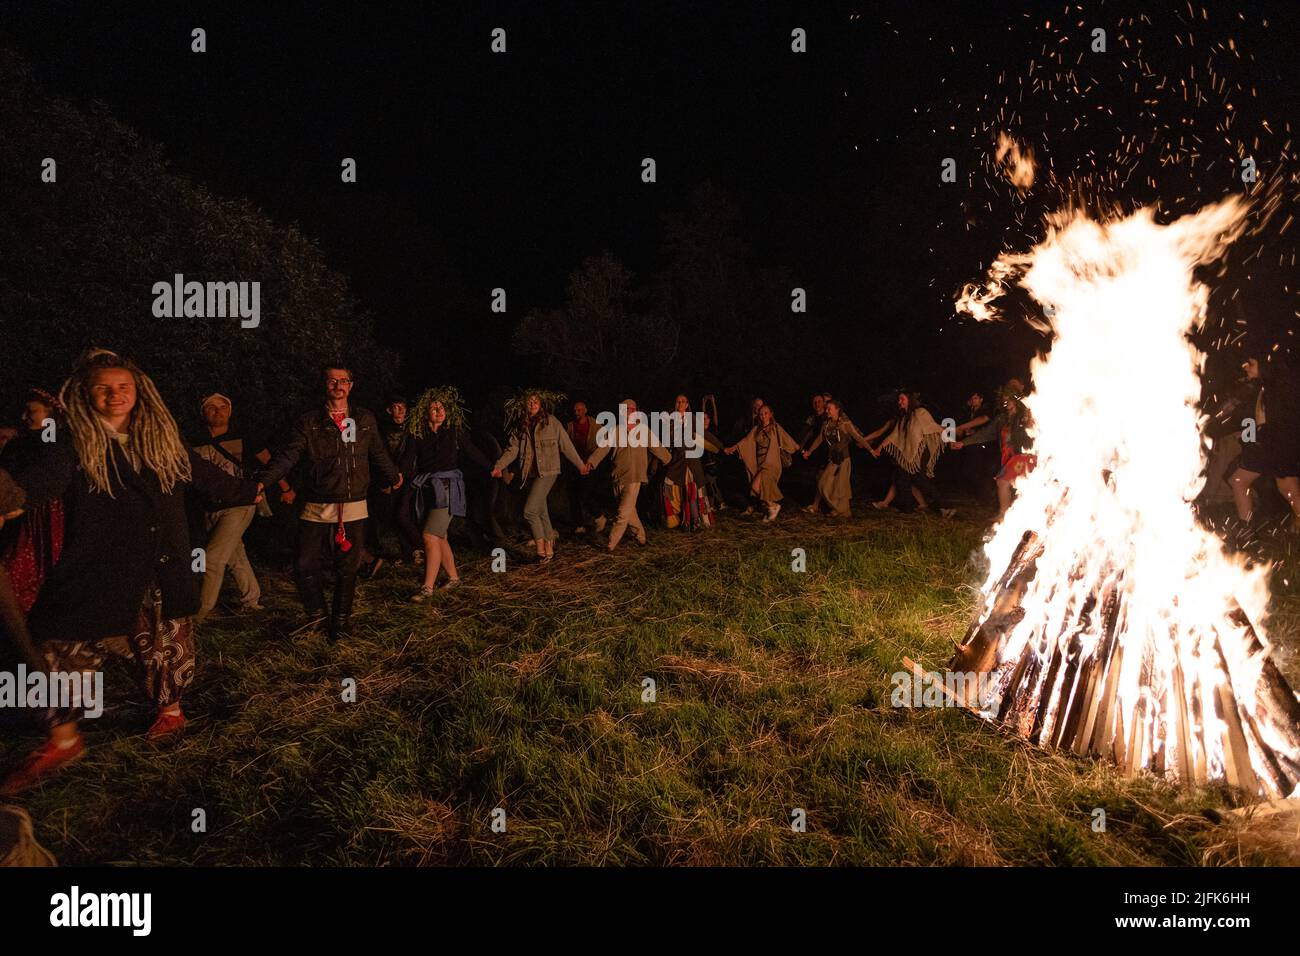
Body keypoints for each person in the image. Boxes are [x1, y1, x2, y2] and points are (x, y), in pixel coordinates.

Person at [0, 350, 260, 794]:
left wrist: (251, 488)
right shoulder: (74, 443)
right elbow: (42, 480)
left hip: (161, 559)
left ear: (139, 393)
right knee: (60, 644)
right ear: (86, 394)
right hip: (99, 560)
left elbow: (204, 477)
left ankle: (171, 710)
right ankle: (63, 737)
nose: (114, 395)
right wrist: (12, 499)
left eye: (123, 387)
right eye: (104, 387)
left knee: (165, 639)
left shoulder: (161, 438)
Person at [256, 364, 401, 641]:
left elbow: (378, 453)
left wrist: (394, 477)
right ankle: (317, 617)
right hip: (316, 503)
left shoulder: (365, 419)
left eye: (343, 381)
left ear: (351, 385)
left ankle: (341, 622)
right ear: (324, 385)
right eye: (332, 381)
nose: (338, 385)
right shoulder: (309, 422)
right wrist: (264, 481)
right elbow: (288, 456)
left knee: (348, 567)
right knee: (304, 563)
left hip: (354, 503)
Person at [190, 393, 293, 621]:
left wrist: (285, 488)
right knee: (236, 554)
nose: (218, 411)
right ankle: (251, 599)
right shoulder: (193, 442)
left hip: (239, 504)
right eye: (211, 407)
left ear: (230, 411)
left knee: (212, 559)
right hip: (209, 507)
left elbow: (269, 462)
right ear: (202, 413)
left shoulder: (244, 437)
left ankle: (198, 615)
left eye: (223, 407)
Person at [404, 389, 491, 601]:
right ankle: (453, 579)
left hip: (448, 488)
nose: (438, 411)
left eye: (441, 407)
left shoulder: (454, 431)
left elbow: (472, 451)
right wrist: (396, 478)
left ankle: (427, 588)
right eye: (433, 408)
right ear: (426, 412)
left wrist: (492, 467)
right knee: (440, 536)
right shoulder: (418, 434)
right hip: (428, 489)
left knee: (430, 536)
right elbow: (408, 462)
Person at [491, 391, 585, 563]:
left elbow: (566, 445)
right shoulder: (522, 425)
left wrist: (580, 465)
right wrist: (499, 466)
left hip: (548, 472)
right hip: (531, 474)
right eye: (529, 402)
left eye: (536, 402)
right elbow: (512, 450)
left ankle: (540, 550)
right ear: (525, 405)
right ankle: (549, 549)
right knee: (541, 512)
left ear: (541, 404)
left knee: (529, 511)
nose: (532, 405)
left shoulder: (551, 422)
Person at [0, 389, 66, 614]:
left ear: (51, 414)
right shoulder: (24, 441)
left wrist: (21, 502)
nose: (24, 417)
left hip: (37, 514)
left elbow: (51, 471)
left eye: (32, 412)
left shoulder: (51, 436)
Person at [583, 399, 671, 550]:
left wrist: (668, 460)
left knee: (622, 513)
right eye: (626, 409)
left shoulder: (643, 431)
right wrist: (591, 462)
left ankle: (610, 544)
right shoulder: (615, 430)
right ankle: (641, 536)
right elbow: (603, 447)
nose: (630, 411)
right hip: (618, 476)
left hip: (635, 476)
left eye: (632, 409)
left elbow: (656, 447)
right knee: (629, 512)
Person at [1229, 355, 1300, 529]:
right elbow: (1252, 417)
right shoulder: (1263, 386)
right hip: (1268, 442)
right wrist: (1249, 437)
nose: (1246, 367)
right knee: (1287, 487)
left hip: (1276, 444)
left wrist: (1259, 440)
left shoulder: (1280, 388)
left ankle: (1246, 530)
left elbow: (1281, 421)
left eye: (1251, 364)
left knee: (1239, 480)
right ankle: (1247, 530)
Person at [864, 390, 955, 516]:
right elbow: (893, 436)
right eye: (899, 400)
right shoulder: (903, 418)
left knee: (919, 479)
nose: (899, 402)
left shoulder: (920, 412)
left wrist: (950, 440)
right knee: (901, 478)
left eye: (902, 399)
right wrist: (880, 447)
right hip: (907, 454)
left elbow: (935, 427)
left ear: (909, 400)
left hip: (921, 451)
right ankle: (907, 509)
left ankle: (945, 506)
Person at [370, 394, 422, 566]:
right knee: (393, 516)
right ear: (389, 410)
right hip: (389, 477)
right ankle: (407, 553)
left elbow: (410, 454)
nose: (399, 411)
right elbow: (380, 455)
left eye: (403, 407)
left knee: (403, 514)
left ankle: (423, 547)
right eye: (396, 407)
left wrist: (399, 475)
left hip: (408, 478)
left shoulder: (412, 429)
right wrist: (388, 479)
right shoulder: (382, 430)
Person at [725, 404, 800, 521]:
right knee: (758, 487)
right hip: (760, 463)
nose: (763, 416)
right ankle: (771, 507)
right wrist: (732, 448)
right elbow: (745, 441)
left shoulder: (775, 427)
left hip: (771, 462)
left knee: (755, 486)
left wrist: (799, 448)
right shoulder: (756, 429)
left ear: (770, 414)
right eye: (761, 414)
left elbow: (788, 439)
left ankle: (773, 506)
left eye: (766, 413)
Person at [659, 394, 718, 531]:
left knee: (693, 490)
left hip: (692, 460)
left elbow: (705, 434)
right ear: (676, 404)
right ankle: (676, 518)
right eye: (678, 401)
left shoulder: (692, 419)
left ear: (687, 404)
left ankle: (695, 521)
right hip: (678, 461)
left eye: (683, 401)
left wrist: (721, 446)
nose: (681, 404)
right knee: (667, 486)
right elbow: (670, 438)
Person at [802, 399, 869, 517]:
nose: (826, 411)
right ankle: (840, 509)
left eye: (829, 409)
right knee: (823, 484)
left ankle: (842, 511)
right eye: (826, 408)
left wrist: (871, 449)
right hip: (833, 459)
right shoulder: (826, 424)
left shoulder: (844, 423)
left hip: (843, 459)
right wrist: (809, 451)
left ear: (837, 410)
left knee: (840, 487)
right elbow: (819, 439)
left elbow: (857, 436)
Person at [953, 390, 1001, 507]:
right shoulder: (968, 412)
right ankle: (979, 498)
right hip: (970, 445)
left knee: (981, 473)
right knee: (969, 471)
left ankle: (986, 500)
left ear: (981, 399)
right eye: (972, 398)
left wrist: (967, 428)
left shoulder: (986, 410)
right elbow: (960, 430)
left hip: (984, 446)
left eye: (975, 398)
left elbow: (985, 421)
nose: (973, 401)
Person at [994, 388, 1036, 519]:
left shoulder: (1024, 417)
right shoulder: (1003, 419)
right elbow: (987, 433)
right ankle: (1012, 515)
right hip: (1010, 457)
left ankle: (1003, 514)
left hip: (1024, 456)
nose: (1006, 402)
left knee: (1003, 481)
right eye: (1004, 400)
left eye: (1009, 399)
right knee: (1012, 484)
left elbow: (1033, 433)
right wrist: (964, 442)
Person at [565, 400, 600, 533]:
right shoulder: (570, 426)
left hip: (588, 464)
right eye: (575, 410)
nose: (577, 413)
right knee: (573, 495)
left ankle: (598, 516)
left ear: (585, 410)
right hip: (574, 465)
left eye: (579, 410)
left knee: (585, 493)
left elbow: (603, 443)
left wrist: (594, 460)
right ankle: (579, 524)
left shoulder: (595, 425)